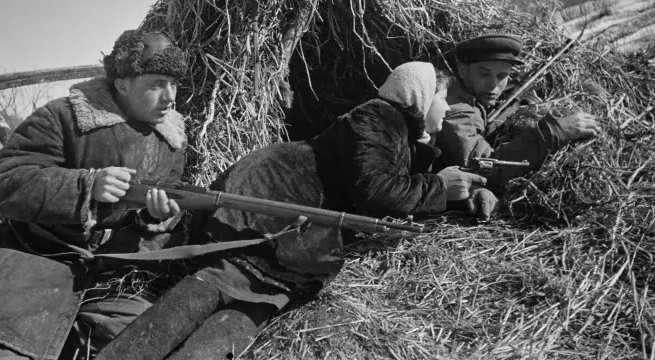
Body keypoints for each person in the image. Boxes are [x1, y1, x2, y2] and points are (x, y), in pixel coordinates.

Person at [95, 61, 489, 360]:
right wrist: (439, 187)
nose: (447, 111)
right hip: (275, 193)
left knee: (263, 298)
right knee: (227, 278)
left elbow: (390, 181)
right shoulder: (377, 117)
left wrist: (464, 192)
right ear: (421, 94)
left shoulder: (395, 128)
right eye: (444, 100)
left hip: (297, 213)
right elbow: (376, 190)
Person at [0, 30, 192, 360]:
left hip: (107, 279)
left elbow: (171, 199)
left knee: (148, 343)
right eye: (156, 84)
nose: (170, 97)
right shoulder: (64, 116)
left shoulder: (171, 139)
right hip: (31, 261)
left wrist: (155, 217)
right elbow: (3, 182)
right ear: (123, 82)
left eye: (174, 83)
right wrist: (86, 186)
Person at [434, 34, 601, 189]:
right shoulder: (456, 111)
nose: (493, 85)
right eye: (484, 74)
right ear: (463, 70)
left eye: (502, 76)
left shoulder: (470, 92)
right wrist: (554, 131)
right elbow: (487, 168)